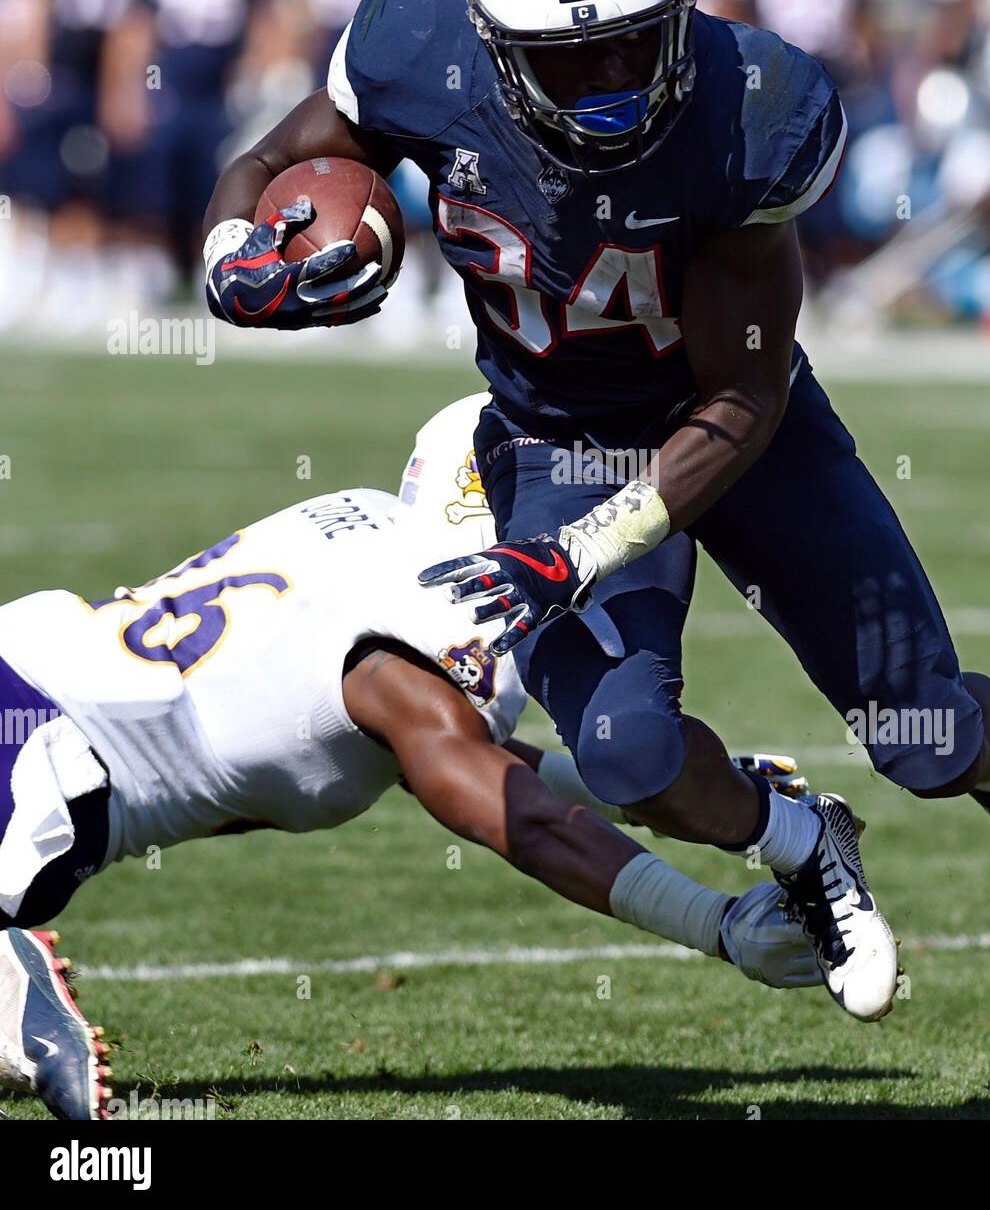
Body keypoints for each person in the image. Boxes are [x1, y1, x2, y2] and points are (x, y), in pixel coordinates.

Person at [202, 0, 990, 1030]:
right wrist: (233, 260)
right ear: (495, 42)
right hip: (556, 438)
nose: (615, 79)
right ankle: (800, 837)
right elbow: (279, 161)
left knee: (919, 736)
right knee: (625, 753)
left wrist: (574, 554)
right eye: (574, 58)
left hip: (732, 427)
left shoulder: (751, 110)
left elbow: (743, 403)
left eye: (636, 40)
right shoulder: (419, 41)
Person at [0, 395, 824, 1122]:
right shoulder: (431, 627)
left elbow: (476, 762)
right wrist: (713, 925)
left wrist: (669, 791)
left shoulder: (358, 525)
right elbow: (517, 817)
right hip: (49, 763)